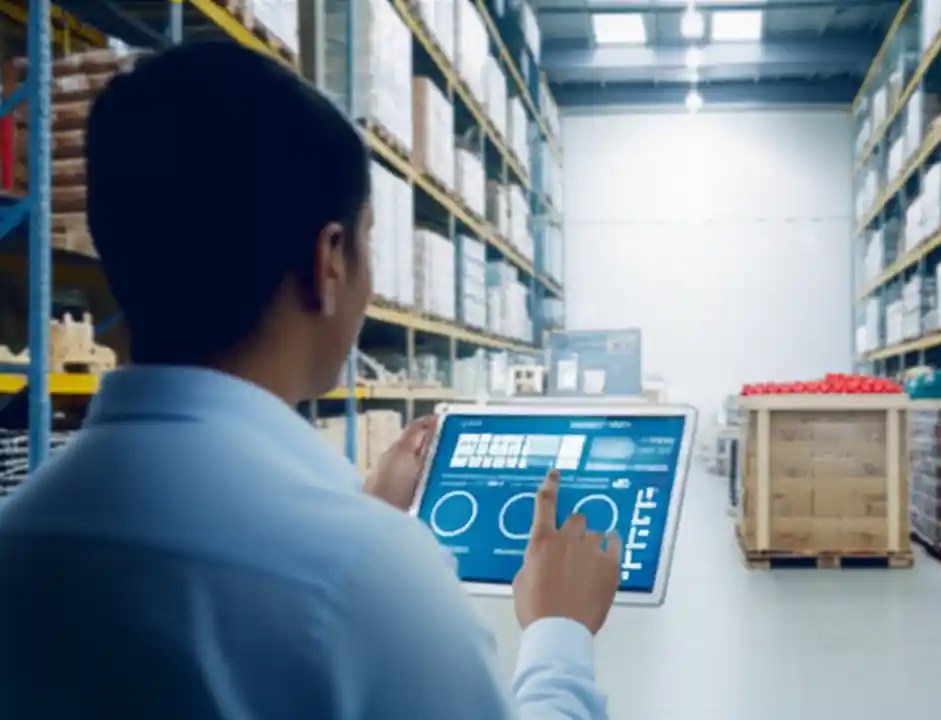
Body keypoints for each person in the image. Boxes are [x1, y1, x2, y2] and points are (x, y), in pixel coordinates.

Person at [0, 42, 620, 718]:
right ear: (330, 262)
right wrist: (560, 634)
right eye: (368, 239)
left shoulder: (22, 537)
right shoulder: (379, 583)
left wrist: (366, 509)